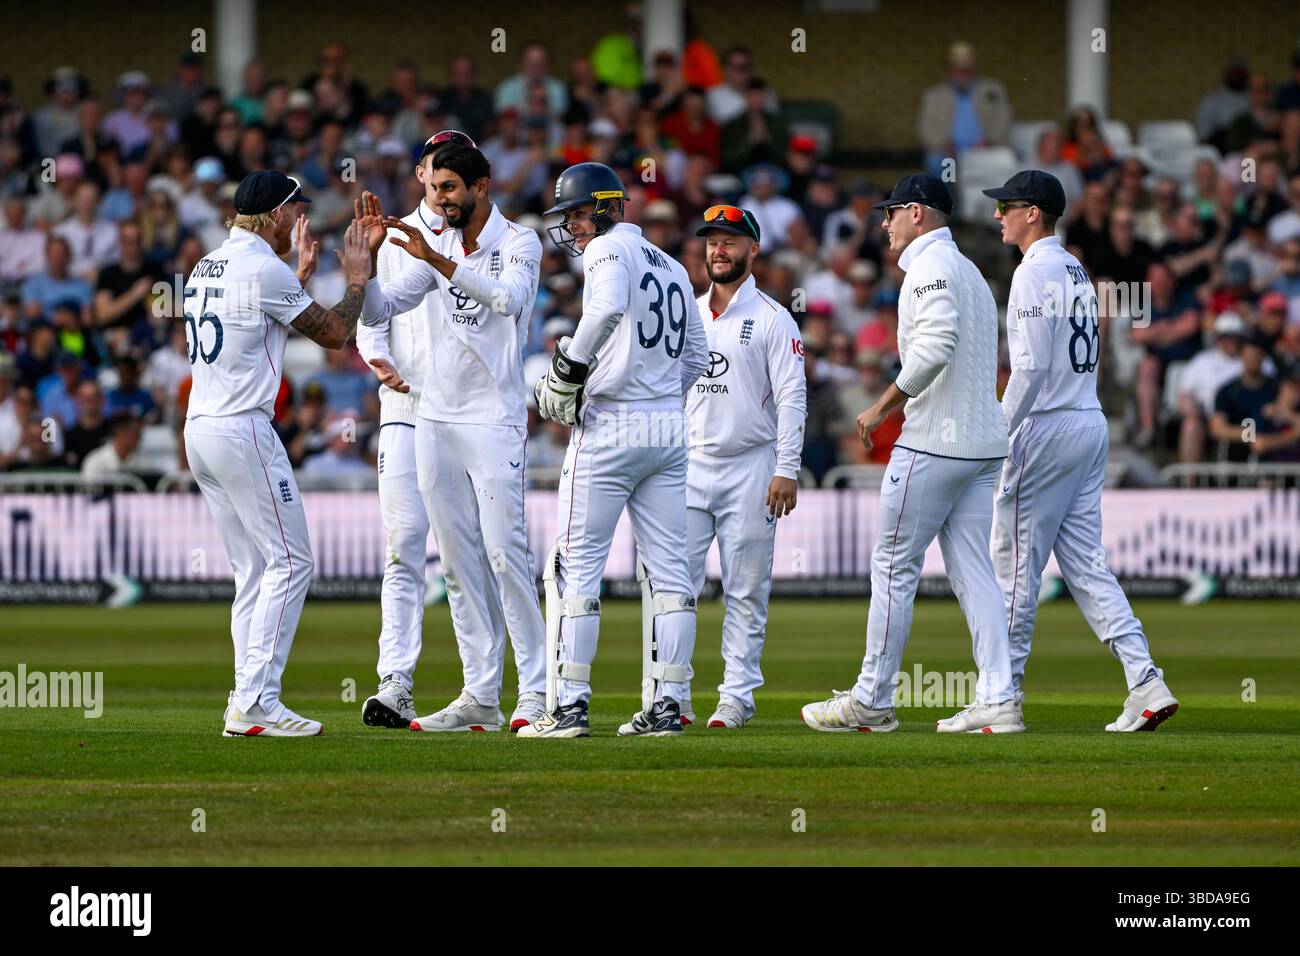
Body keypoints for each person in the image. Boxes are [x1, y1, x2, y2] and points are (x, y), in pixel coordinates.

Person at [800, 174, 1017, 734]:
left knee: (894, 567)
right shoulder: (966, 268)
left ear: (918, 213)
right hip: (979, 444)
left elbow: (937, 344)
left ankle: (872, 697)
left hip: (934, 442)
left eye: (892, 212)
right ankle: (999, 697)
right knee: (973, 571)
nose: (885, 223)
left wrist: (881, 407)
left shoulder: (931, 266)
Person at [362, 141, 548, 733]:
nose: (437, 200)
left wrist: (440, 262)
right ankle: (481, 696)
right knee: (460, 566)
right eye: (432, 189)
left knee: (505, 555)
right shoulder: (434, 240)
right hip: (433, 419)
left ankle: (538, 694)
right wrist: (362, 270)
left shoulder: (518, 242)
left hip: (493, 417)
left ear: (481, 186)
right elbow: (386, 307)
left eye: (448, 189)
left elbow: (510, 301)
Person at [983, 170, 1179, 732]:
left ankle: (1003, 696)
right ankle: (1145, 680)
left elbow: (1030, 368)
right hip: (1087, 422)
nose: (999, 215)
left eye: (1008, 207)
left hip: (1045, 427)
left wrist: (998, 432)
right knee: (1087, 566)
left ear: (1034, 214)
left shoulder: (1031, 273)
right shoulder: (1076, 270)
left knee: (1015, 567)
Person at [520, 162, 708, 738]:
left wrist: (571, 371)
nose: (572, 227)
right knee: (672, 575)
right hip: (667, 429)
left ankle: (568, 706)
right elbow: (697, 357)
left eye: (576, 214)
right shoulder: (674, 265)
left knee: (574, 566)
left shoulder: (607, 252)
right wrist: (655, 397)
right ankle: (668, 705)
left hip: (611, 425)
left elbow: (602, 311)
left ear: (603, 208)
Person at [186, 169, 375, 737]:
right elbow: (336, 334)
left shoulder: (207, 264)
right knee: (292, 563)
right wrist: (359, 279)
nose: (303, 220)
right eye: (296, 209)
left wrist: (293, 279)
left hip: (201, 429)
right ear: (272, 216)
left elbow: (250, 325)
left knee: (253, 571)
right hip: (244, 430)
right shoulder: (263, 268)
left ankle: (245, 700)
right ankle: (256, 702)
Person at [682, 204, 806, 728]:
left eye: (731, 241)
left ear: (753, 250)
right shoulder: (684, 310)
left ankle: (736, 697)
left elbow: (793, 396)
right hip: (686, 465)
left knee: (746, 590)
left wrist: (788, 467)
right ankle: (671, 695)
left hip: (751, 467)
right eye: (712, 240)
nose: (719, 250)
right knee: (672, 588)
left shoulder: (775, 318)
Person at [353, 131, 460, 728]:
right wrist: (376, 358)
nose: (443, 182)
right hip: (404, 408)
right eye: (435, 169)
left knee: (480, 555)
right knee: (403, 551)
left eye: (454, 171)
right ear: (419, 172)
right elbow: (374, 313)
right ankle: (395, 683)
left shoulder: (483, 234)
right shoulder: (391, 234)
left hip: (469, 416)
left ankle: (505, 689)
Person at [917, 42, 1012, 180]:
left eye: (966, 67)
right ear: (949, 69)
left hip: (985, 151)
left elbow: (1003, 118)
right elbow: (925, 128)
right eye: (957, 68)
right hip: (949, 153)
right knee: (938, 164)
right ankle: (946, 201)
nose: (962, 72)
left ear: (973, 68)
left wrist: (990, 140)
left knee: (1002, 166)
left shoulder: (992, 89)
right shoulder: (934, 95)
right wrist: (944, 144)